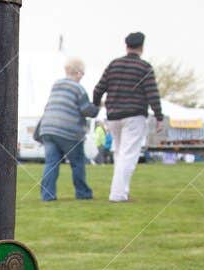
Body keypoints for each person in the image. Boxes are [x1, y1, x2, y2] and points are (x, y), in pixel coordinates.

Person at [90, 31, 164, 202]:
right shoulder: (144, 68)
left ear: (126, 46)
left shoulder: (114, 65)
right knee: (128, 155)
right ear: (142, 47)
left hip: (113, 115)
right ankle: (118, 195)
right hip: (134, 115)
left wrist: (96, 105)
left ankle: (121, 191)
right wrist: (159, 117)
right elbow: (152, 94)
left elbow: (98, 89)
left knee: (119, 154)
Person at [35, 58, 98, 200]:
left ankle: (47, 195)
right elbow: (87, 110)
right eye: (82, 73)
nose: (82, 76)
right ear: (78, 72)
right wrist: (97, 108)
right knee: (77, 163)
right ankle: (82, 193)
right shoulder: (78, 88)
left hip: (48, 129)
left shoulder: (56, 85)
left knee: (51, 163)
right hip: (68, 131)